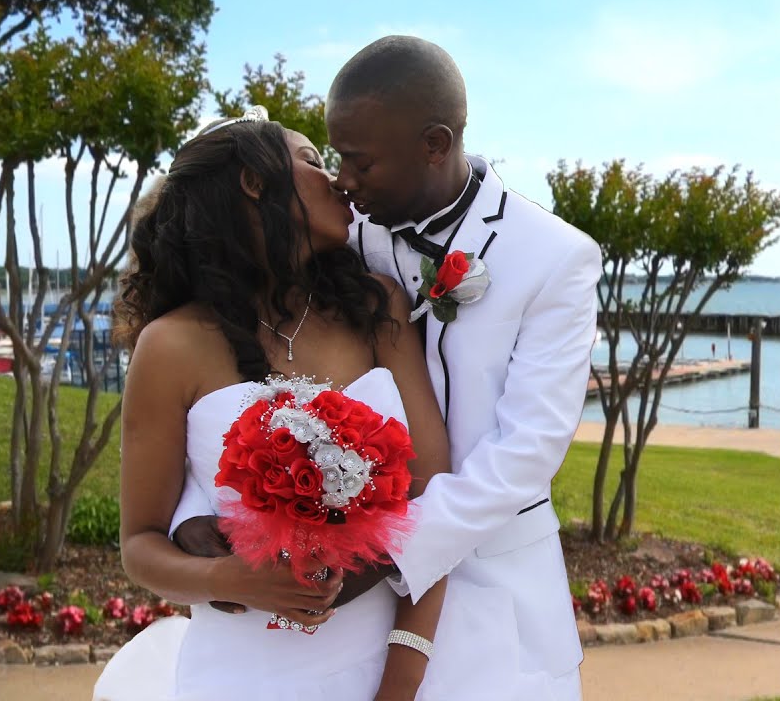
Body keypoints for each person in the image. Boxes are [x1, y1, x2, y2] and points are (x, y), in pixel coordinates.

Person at [173, 36, 601, 698]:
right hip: (357, 625)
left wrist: (379, 548)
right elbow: (267, 373)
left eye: (359, 161)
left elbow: (528, 451)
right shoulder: (350, 230)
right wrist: (205, 512)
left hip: (493, 591)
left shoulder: (553, 257)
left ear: (434, 143)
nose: (342, 179)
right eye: (335, 155)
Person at [94, 110, 528, 700]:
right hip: (239, 675)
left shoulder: (375, 309)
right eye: (311, 161)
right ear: (253, 181)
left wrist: (399, 684)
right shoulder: (170, 345)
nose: (338, 181)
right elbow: (140, 545)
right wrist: (230, 578)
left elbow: (436, 501)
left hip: (380, 665)